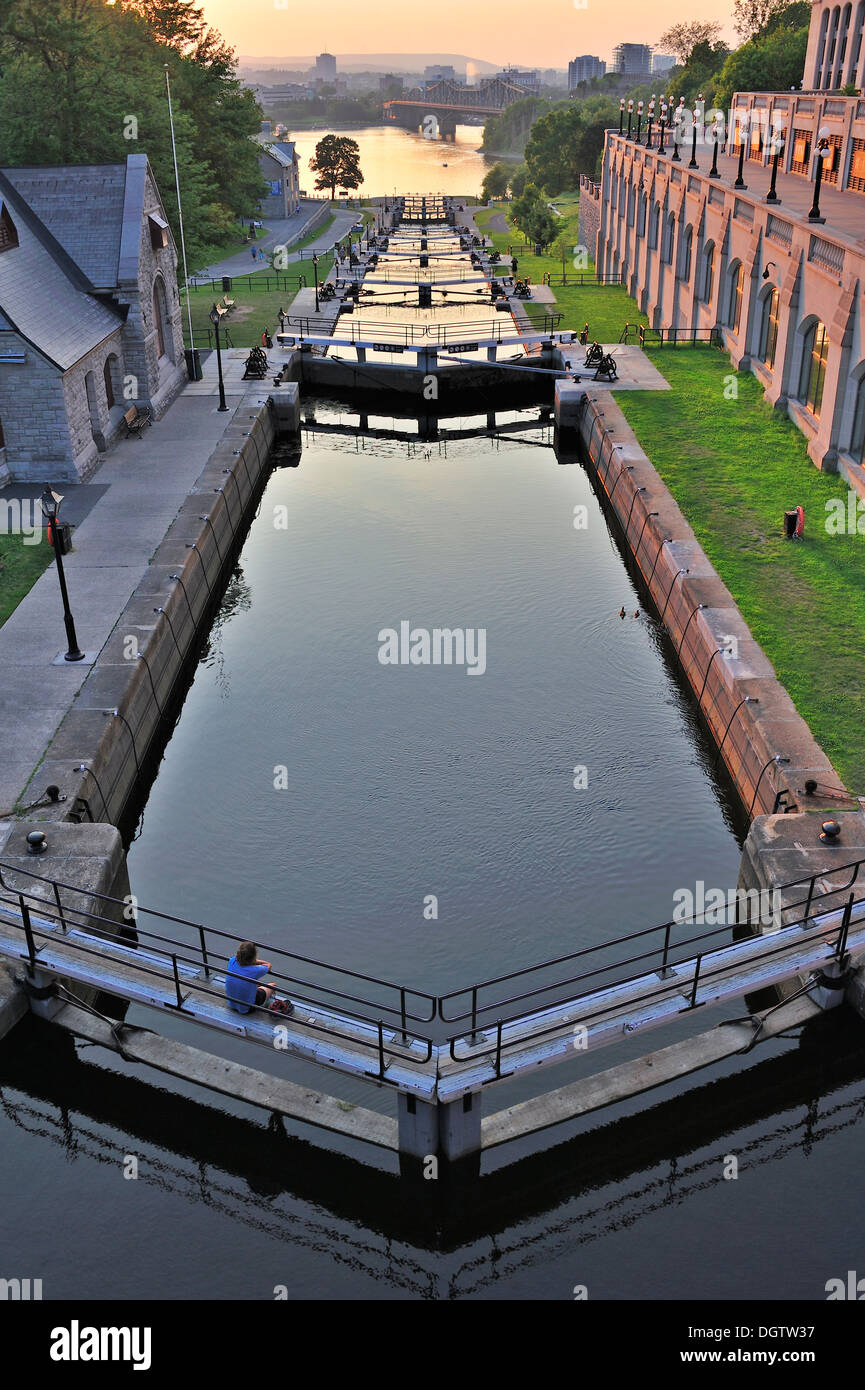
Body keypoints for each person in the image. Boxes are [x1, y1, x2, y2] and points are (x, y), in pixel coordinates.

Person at [225, 940, 275, 1014]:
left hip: (231, 1004)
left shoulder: (232, 961)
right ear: (253, 957)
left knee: (254, 984)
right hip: (247, 1009)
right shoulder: (256, 970)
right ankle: (270, 1005)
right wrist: (254, 961)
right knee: (272, 985)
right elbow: (268, 965)